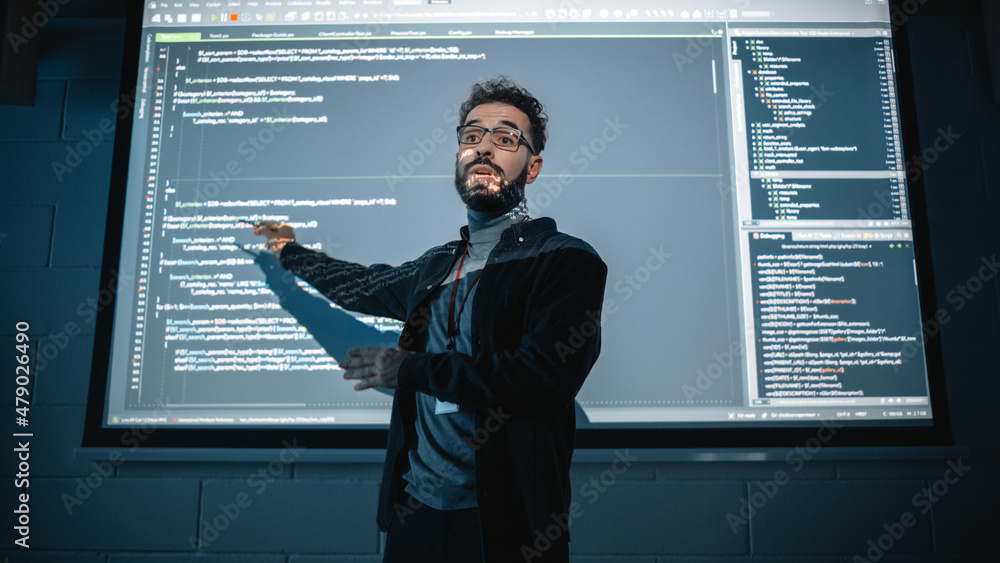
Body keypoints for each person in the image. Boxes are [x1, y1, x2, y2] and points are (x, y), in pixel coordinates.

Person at [255, 78, 607, 562]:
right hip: (416, 513)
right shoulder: (438, 265)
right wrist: (288, 251)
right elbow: (358, 284)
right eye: (471, 136)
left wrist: (409, 370)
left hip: (507, 524)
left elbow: (542, 378)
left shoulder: (565, 260)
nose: (484, 147)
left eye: (505, 139)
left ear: (533, 167)